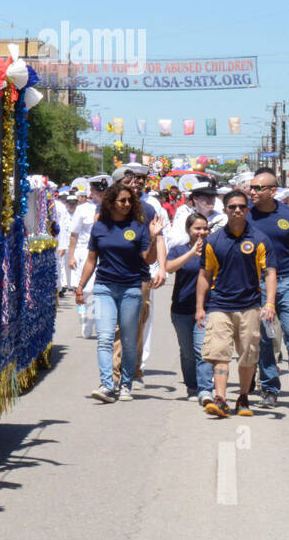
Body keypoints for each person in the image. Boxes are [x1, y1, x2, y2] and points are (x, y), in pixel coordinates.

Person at [75, 182, 163, 402]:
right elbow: (91, 260)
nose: (126, 204)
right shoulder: (100, 227)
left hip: (132, 289)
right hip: (104, 287)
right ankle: (107, 384)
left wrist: (152, 238)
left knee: (128, 339)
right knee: (104, 338)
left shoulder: (139, 226)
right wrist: (80, 286)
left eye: (129, 201)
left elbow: (148, 259)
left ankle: (126, 384)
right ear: (111, 203)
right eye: (121, 201)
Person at [197, 190, 276, 417]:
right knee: (220, 352)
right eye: (232, 207)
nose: (237, 210)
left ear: (247, 210)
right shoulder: (214, 240)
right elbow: (204, 275)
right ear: (225, 210)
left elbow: (270, 272)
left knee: (248, 354)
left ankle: (243, 397)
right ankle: (221, 399)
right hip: (220, 305)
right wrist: (200, 307)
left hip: (250, 305)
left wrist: (269, 304)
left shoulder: (260, 239)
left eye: (242, 206)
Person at [110, 163, 167, 384]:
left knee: (136, 326)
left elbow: (159, 238)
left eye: (135, 181)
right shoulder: (105, 209)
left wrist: (161, 267)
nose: (135, 185)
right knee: (115, 328)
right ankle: (114, 377)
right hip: (113, 275)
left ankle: (134, 370)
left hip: (140, 276)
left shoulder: (148, 209)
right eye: (128, 181)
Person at [248, 167, 289, 408]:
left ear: (272, 191)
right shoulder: (244, 216)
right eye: (250, 188)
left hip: (288, 281)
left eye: (257, 188)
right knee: (266, 339)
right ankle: (270, 388)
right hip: (258, 286)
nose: (251, 192)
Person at [167, 213, 215, 405]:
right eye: (197, 228)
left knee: (202, 349)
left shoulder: (213, 249)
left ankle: (205, 389)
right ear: (189, 230)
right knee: (187, 352)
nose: (202, 232)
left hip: (208, 307)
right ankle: (192, 387)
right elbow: (169, 268)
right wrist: (191, 253)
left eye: (205, 228)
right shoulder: (178, 250)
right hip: (181, 307)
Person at [68, 176, 107, 338]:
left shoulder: (110, 208)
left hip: (103, 252)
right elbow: (74, 234)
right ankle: (84, 319)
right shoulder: (83, 209)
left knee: (97, 290)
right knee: (84, 290)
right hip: (84, 252)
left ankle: (97, 322)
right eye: (94, 190)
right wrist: (71, 256)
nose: (93, 193)